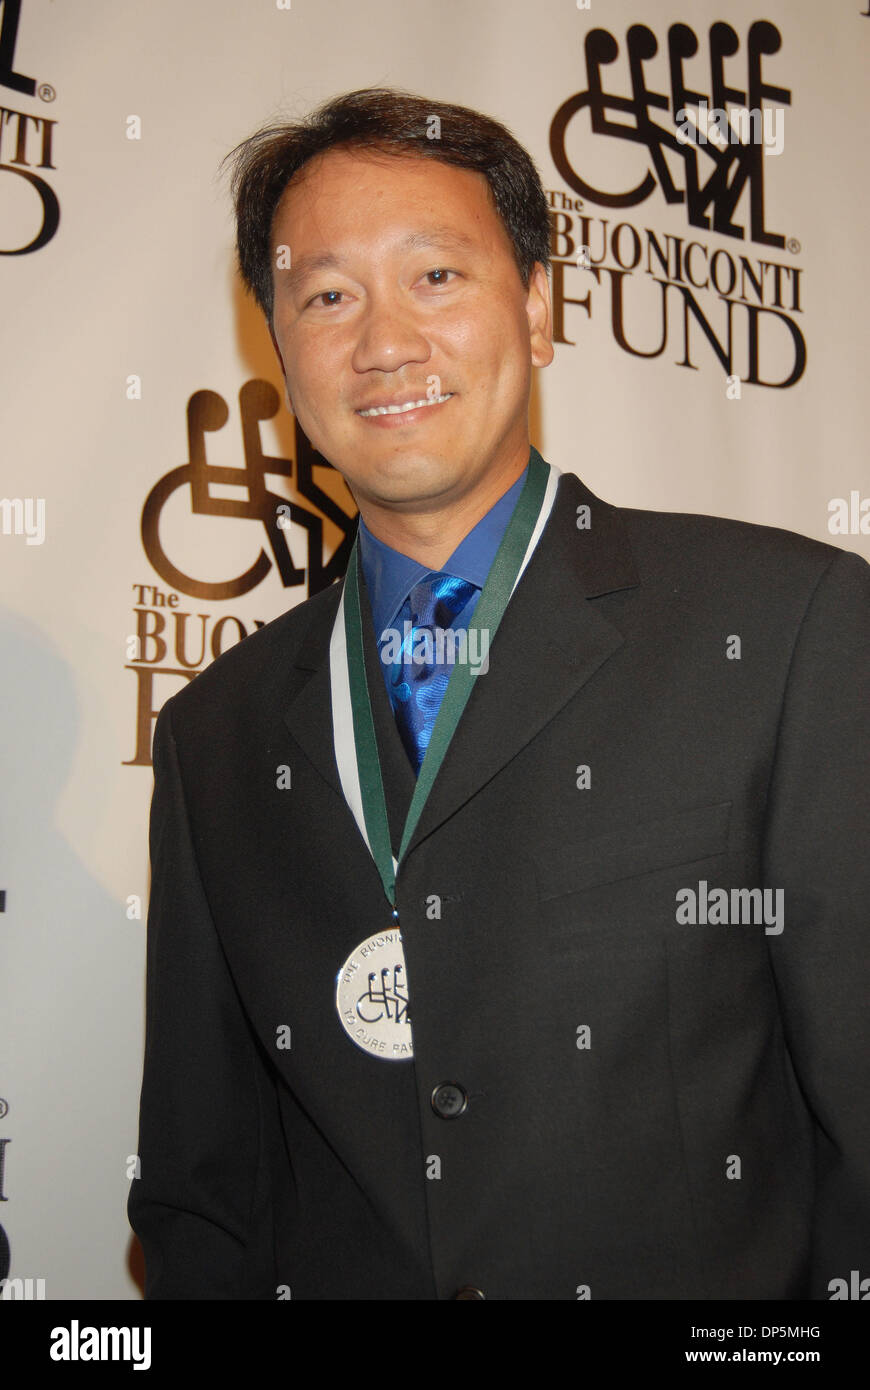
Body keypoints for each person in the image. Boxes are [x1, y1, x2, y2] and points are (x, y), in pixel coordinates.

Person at [127, 86, 870, 1301]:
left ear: (537, 301)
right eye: (326, 294)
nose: (383, 344)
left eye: (435, 276)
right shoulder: (215, 733)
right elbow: (206, 1184)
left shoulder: (782, 629)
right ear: (277, 344)